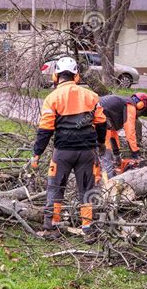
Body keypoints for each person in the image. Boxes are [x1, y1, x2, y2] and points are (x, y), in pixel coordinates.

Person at [31, 57, 107, 239]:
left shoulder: (52, 98)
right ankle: (88, 228)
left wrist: (37, 154)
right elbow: (102, 123)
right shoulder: (91, 96)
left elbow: (45, 129)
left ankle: (52, 228)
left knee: (55, 187)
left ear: (56, 76)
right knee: (87, 189)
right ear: (77, 76)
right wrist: (101, 143)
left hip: (63, 152)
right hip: (87, 151)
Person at [99, 93, 147, 178]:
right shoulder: (130, 105)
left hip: (91, 120)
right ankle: (109, 187)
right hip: (97, 121)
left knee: (100, 157)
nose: (137, 115)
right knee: (106, 159)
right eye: (141, 112)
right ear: (140, 105)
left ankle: (97, 183)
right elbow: (130, 131)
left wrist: (116, 154)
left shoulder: (118, 106)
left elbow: (112, 134)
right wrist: (135, 152)